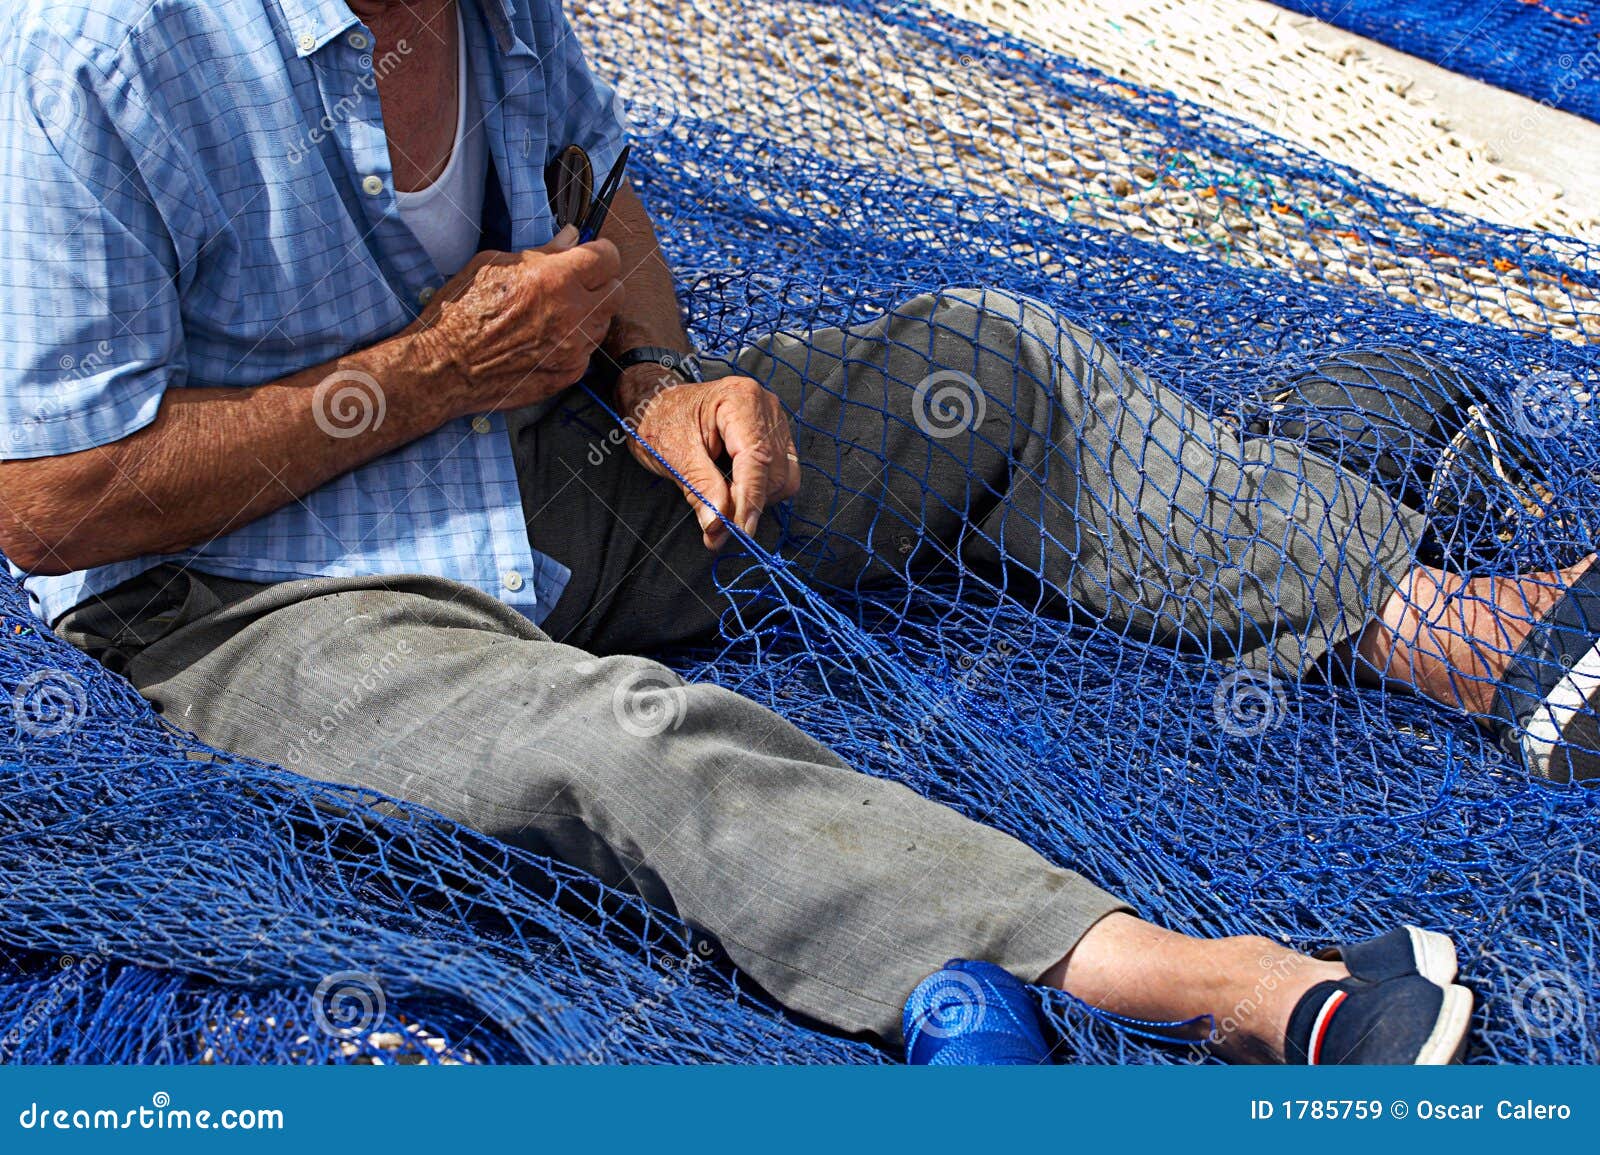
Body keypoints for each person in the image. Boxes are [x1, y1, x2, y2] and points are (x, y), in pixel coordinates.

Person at [3, 0, 1594, 1064]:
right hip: (250, 594)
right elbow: (47, 504)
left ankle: (1453, 633)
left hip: (541, 455)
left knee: (994, 367)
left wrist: (662, 378)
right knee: (626, 736)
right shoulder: (88, 61)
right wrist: (427, 379)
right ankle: (1213, 985)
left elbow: (590, 193)